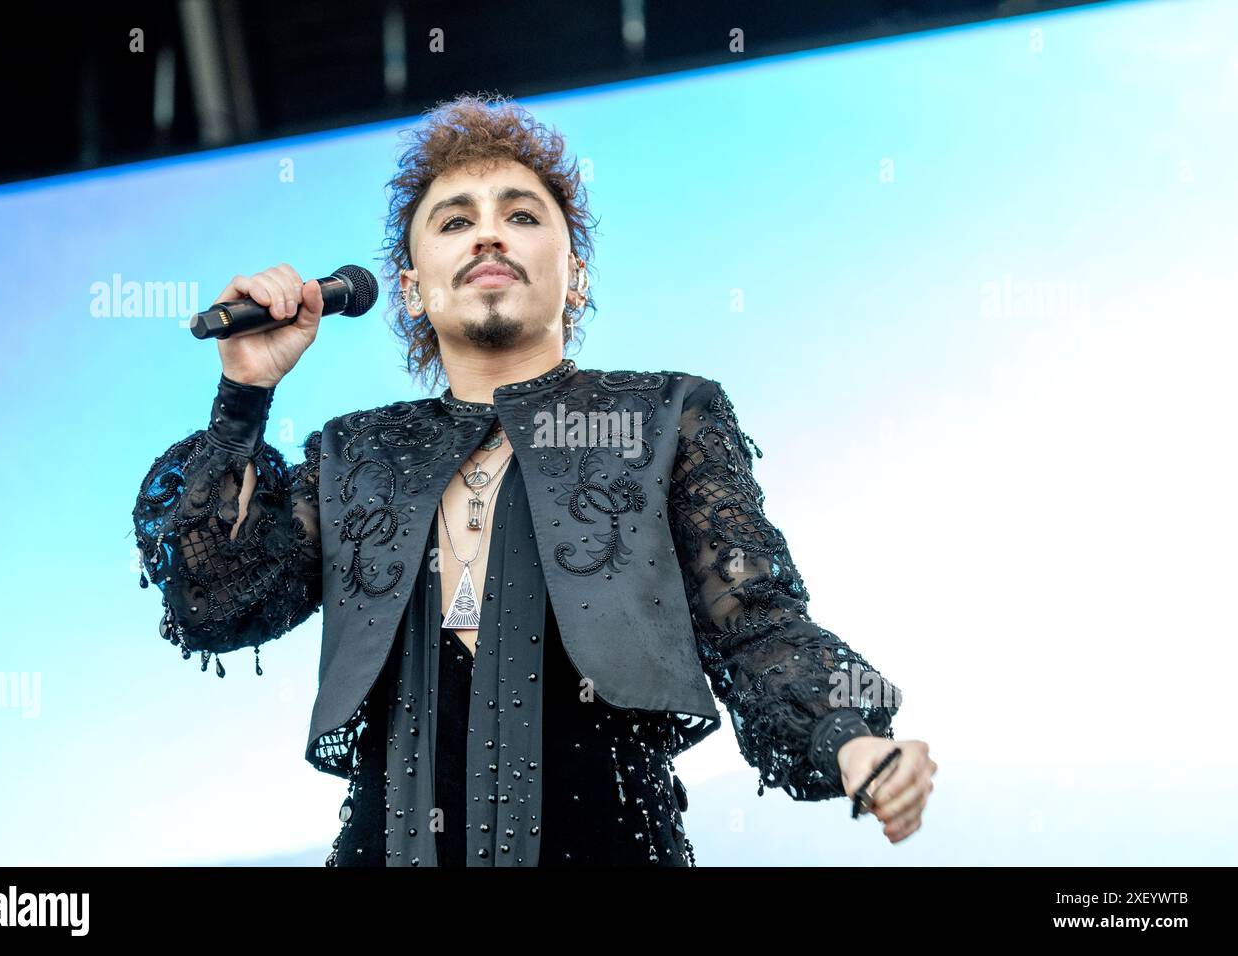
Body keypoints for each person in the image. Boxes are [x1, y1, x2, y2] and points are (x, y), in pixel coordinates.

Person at [132, 93, 935, 867]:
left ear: (574, 272)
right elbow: (214, 601)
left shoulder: (666, 415)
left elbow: (754, 620)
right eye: (455, 222)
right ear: (410, 288)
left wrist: (848, 735)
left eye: (520, 215)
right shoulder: (354, 452)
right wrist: (245, 394)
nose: (488, 236)